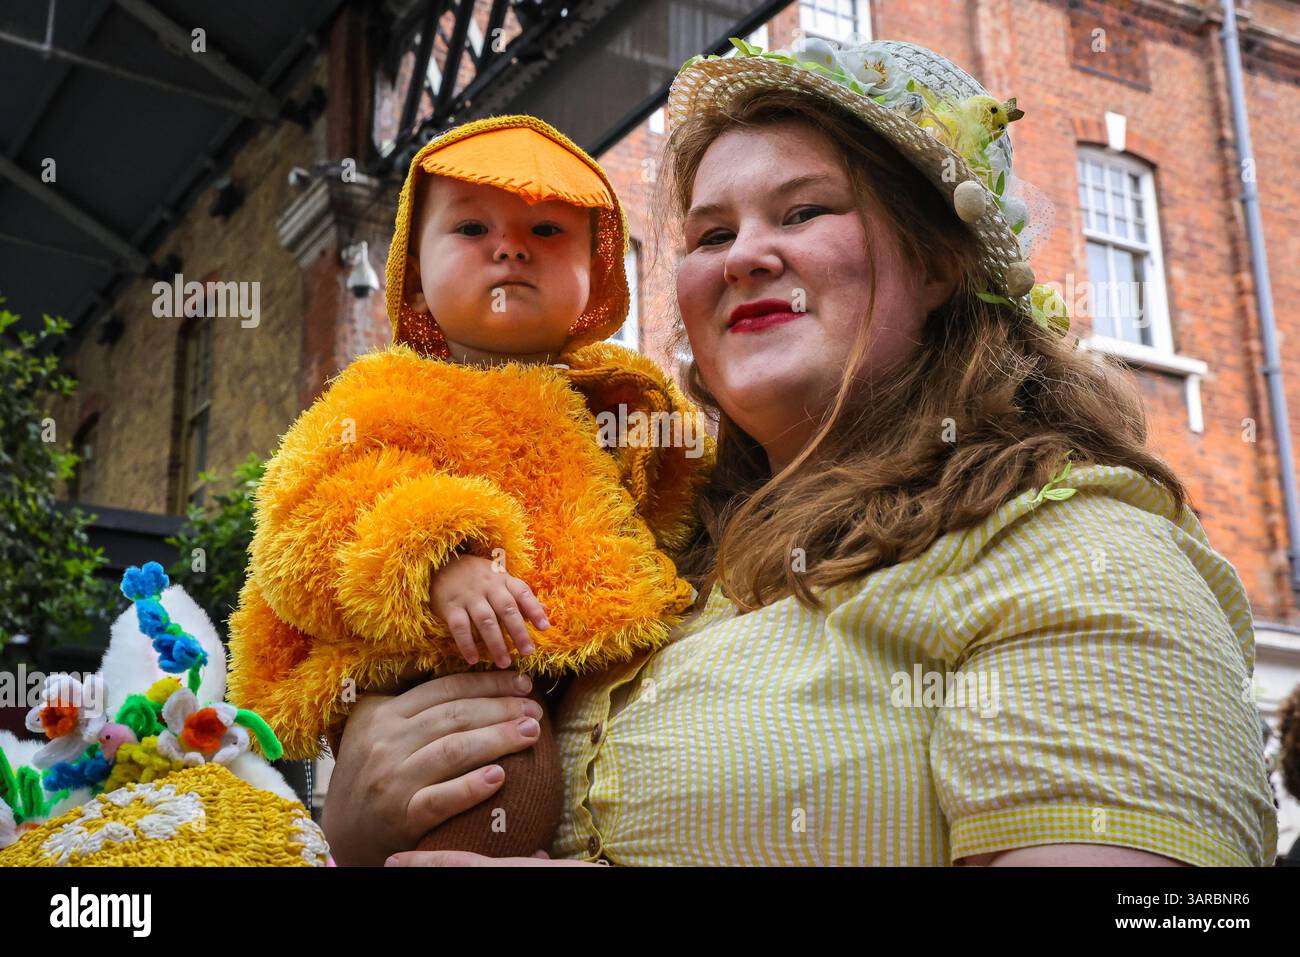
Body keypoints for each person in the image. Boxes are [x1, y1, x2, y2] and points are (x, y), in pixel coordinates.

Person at [326, 37, 1278, 867]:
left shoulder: (1076, 552)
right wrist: (363, 821)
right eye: (709, 232)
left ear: (939, 260)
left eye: (803, 212)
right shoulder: (644, 563)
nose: (744, 255)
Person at [227, 115, 712, 860]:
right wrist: (440, 553)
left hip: (554, 679)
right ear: (414, 270)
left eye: (549, 230)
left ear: (595, 274)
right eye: (472, 227)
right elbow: (310, 518)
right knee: (491, 776)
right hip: (424, 674)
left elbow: (677, 499)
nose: (511, 246)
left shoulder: (621, 400)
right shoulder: (381, 394)